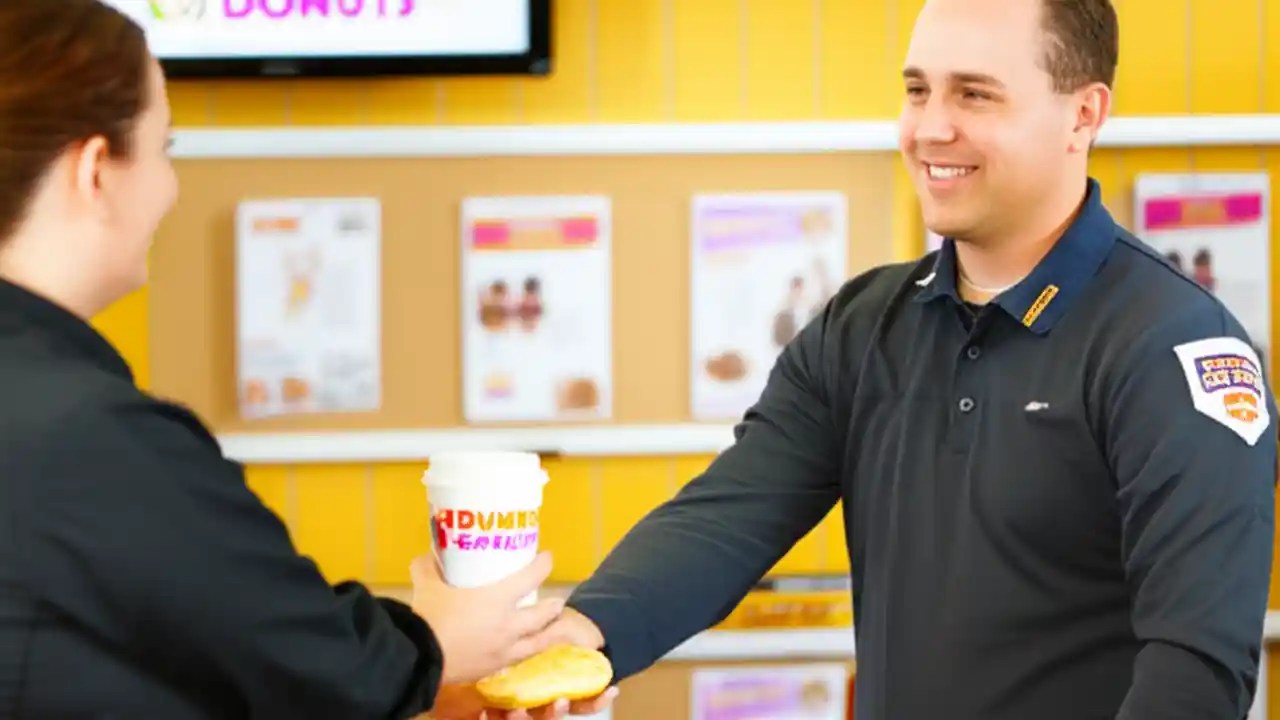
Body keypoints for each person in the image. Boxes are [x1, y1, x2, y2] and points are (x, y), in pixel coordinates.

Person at [549, 1, 1278, 718]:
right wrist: (580, 642)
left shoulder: (1172, 345)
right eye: (917, 89)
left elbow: (1196, 667)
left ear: (1083, 114)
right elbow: (726, 522)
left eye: (975, 94)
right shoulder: (861, 327)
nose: (931, 127)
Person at [0, 2, 607, 717]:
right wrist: (432, 642)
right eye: (165, 148)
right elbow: (299, 661)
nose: (170, 188)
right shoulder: (93, 441)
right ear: (96, 170)